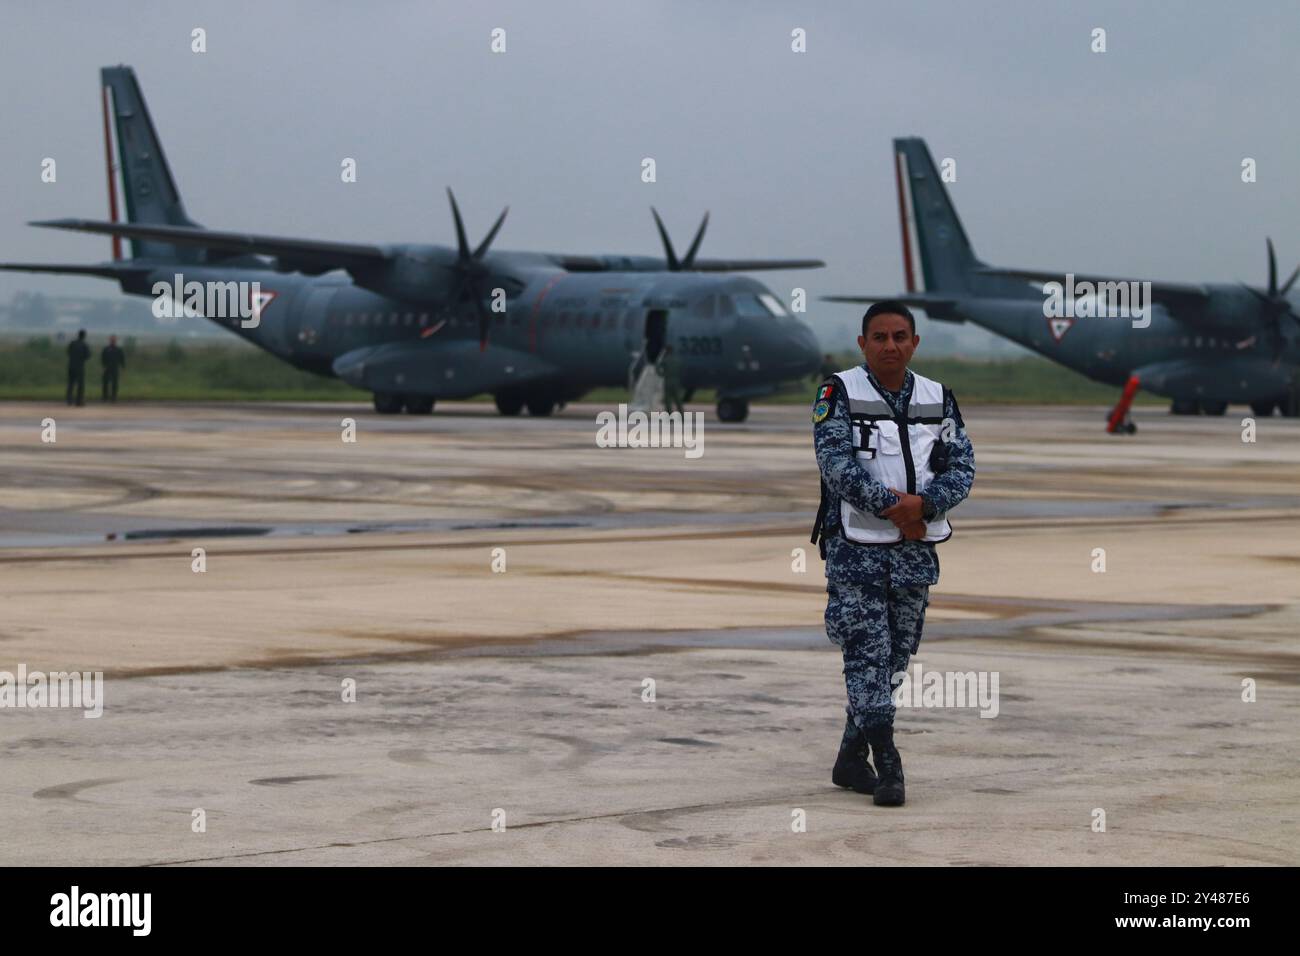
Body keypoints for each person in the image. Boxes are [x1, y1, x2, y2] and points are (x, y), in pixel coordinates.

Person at [810, 301, 975, 807]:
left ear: (914, 343)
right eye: (878, 337)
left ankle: (848, 757)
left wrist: (924, 505)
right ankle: (888, 762)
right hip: (855, 551)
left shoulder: (936, 397)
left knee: (897, 658)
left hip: (914, 553)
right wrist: (895, 509)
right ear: (862, 344)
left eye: (899, 336)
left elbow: (962, 466)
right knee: (867, 654)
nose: (889, 345)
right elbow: (834, 465)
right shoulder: (838, 392)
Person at [66, 329, 90, 406]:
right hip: (80, 367)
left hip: (71, 366)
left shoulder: (72, 343)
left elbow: (68, 352)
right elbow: (87, 355)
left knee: (71, 384)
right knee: (80, 385)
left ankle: (69, 400)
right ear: (84, 336)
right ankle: (79, 401)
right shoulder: (84, 345)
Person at [658, 344, 685, 414]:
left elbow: (657, 367)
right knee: (678, 401)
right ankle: (682, 416)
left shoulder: (665, 360)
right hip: (676, 382)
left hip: (668, 382)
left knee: (668, 402)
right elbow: (681, 370)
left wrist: (662, 374)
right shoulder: (677, 360)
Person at [101, 335, 126, 402]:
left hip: (115, 368)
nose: (113, 341)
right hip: (107, 368)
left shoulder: (118, 349)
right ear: (110, 340)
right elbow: (103, 358)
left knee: (115, 384)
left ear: (116, 341)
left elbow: (122, 359)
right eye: (112, 340)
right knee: (105, 383)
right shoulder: (106, 349)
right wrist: (103, 367)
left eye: (114, 340)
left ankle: (114, 397)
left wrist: (122, 368)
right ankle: (105, 397)